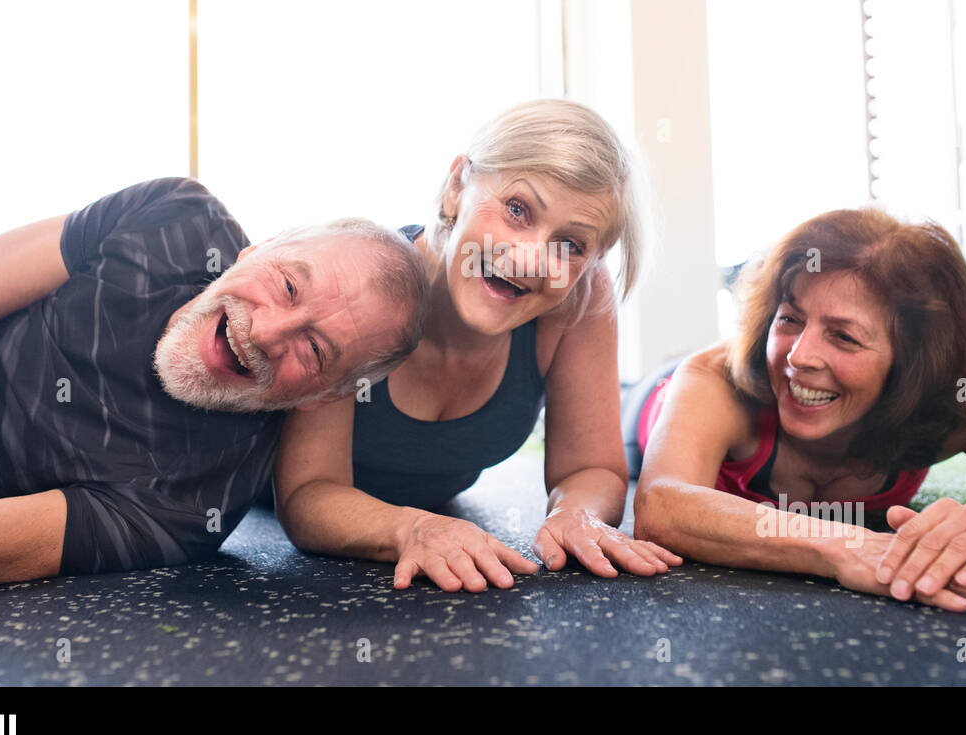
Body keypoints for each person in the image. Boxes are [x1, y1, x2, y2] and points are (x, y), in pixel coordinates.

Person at [0, 177, 428, 604]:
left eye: (314, 351)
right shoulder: (173, 217)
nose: (264, 332)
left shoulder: (189, 507)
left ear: (323, 395)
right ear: (260, 248)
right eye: (286, 286)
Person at [632, 208, 966, 613]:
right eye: (790, 318)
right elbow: (664, 506)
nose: (799, 355)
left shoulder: (955, 393)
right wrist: (851, 548)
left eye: (844, 336)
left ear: (913, 362)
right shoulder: (717, 379)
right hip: (653, 402)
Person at [274, 99, 682, 592]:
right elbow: (307, 492)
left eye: (571, 245)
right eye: (517, 210)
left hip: (436, 521)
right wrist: (413, 528)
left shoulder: (578, 299)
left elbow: (589, 468)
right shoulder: (368, 282)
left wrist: (577, 513)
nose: (532, 259)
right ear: (456, 186)